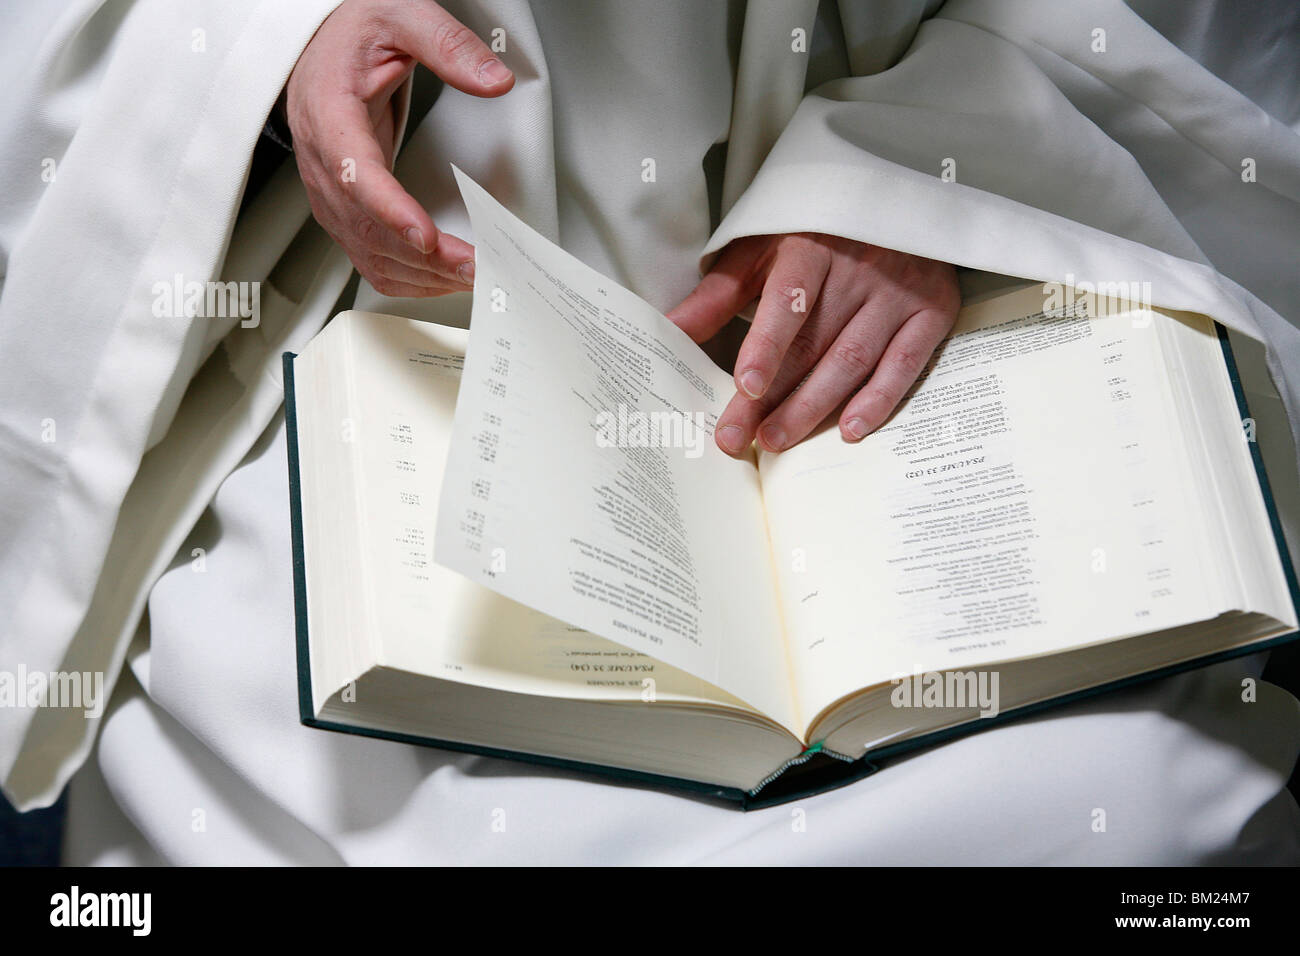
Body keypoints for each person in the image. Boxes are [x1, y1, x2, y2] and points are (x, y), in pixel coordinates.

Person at [2, 0, 1299, 864]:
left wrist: (915, 176)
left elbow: (1182, 35)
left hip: (893, 334)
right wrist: (279, 52)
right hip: (386, 329)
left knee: (1127, 800)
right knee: (314, 748)